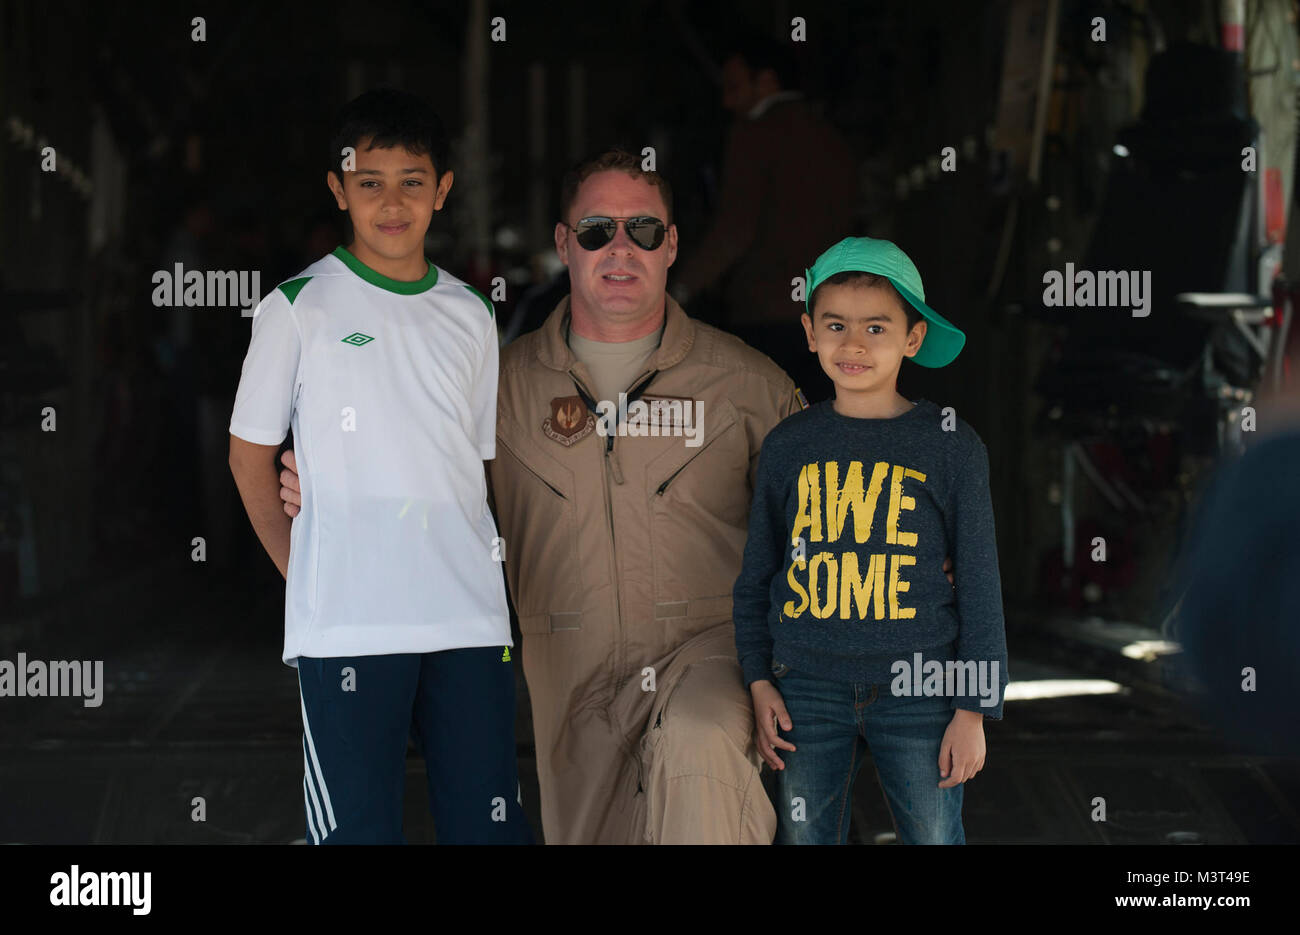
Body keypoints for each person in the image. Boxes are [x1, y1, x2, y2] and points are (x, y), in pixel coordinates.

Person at [282, 150, 958, 844]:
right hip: (574, 684)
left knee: (699, 749)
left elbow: (830, 515)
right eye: (597, 230)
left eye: (642, 229)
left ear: (670, 245)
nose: (620, 249)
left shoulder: (748, 387)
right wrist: (338, 477)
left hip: (713, 656)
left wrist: (920, 554)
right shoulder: (495, 389)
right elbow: (422, 494)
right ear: (563, 245)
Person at [227, 88, 532, 844]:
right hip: (350, 627)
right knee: (358, 832)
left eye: (412, 181)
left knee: (488, 827)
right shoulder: (298, 306)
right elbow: (247, 456)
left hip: (469, 616)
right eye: (370, 183)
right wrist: (306, 575)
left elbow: (474, 466)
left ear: (443, 189)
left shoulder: (472, 311)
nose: (391, 202)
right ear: (339, 189)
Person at [733, 236, 1009, 844]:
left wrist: (973, 709)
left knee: (935, 836)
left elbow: (981, 582)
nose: (853, 344)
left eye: (877, 328)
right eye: (835, 324)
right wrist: (758, 679)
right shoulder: (788, 445)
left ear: (912, 338)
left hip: (922, 688)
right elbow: (758, 572)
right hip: (805, 684)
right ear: (809, 331)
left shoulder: (951, 445)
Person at [673, 33, 857, 403]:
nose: (726, 100)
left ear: (768, 82)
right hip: (832, 317)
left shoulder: (754, 134)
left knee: (766, 427)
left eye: (734, 86)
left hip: (766, 315)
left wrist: (679, 289)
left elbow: (735, 228)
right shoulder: (832, 138)